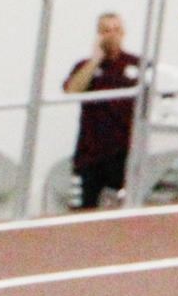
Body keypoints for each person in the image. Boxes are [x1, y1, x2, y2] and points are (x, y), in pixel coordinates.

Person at [60, 12, 141, 209]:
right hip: (91, 154)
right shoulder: (84, 66)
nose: (112, 35)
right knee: (85, 210)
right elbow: (71, 90)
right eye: (106, 30)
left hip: (125, 152)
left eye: (116, 30)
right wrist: (95, 59)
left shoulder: (136, 64)